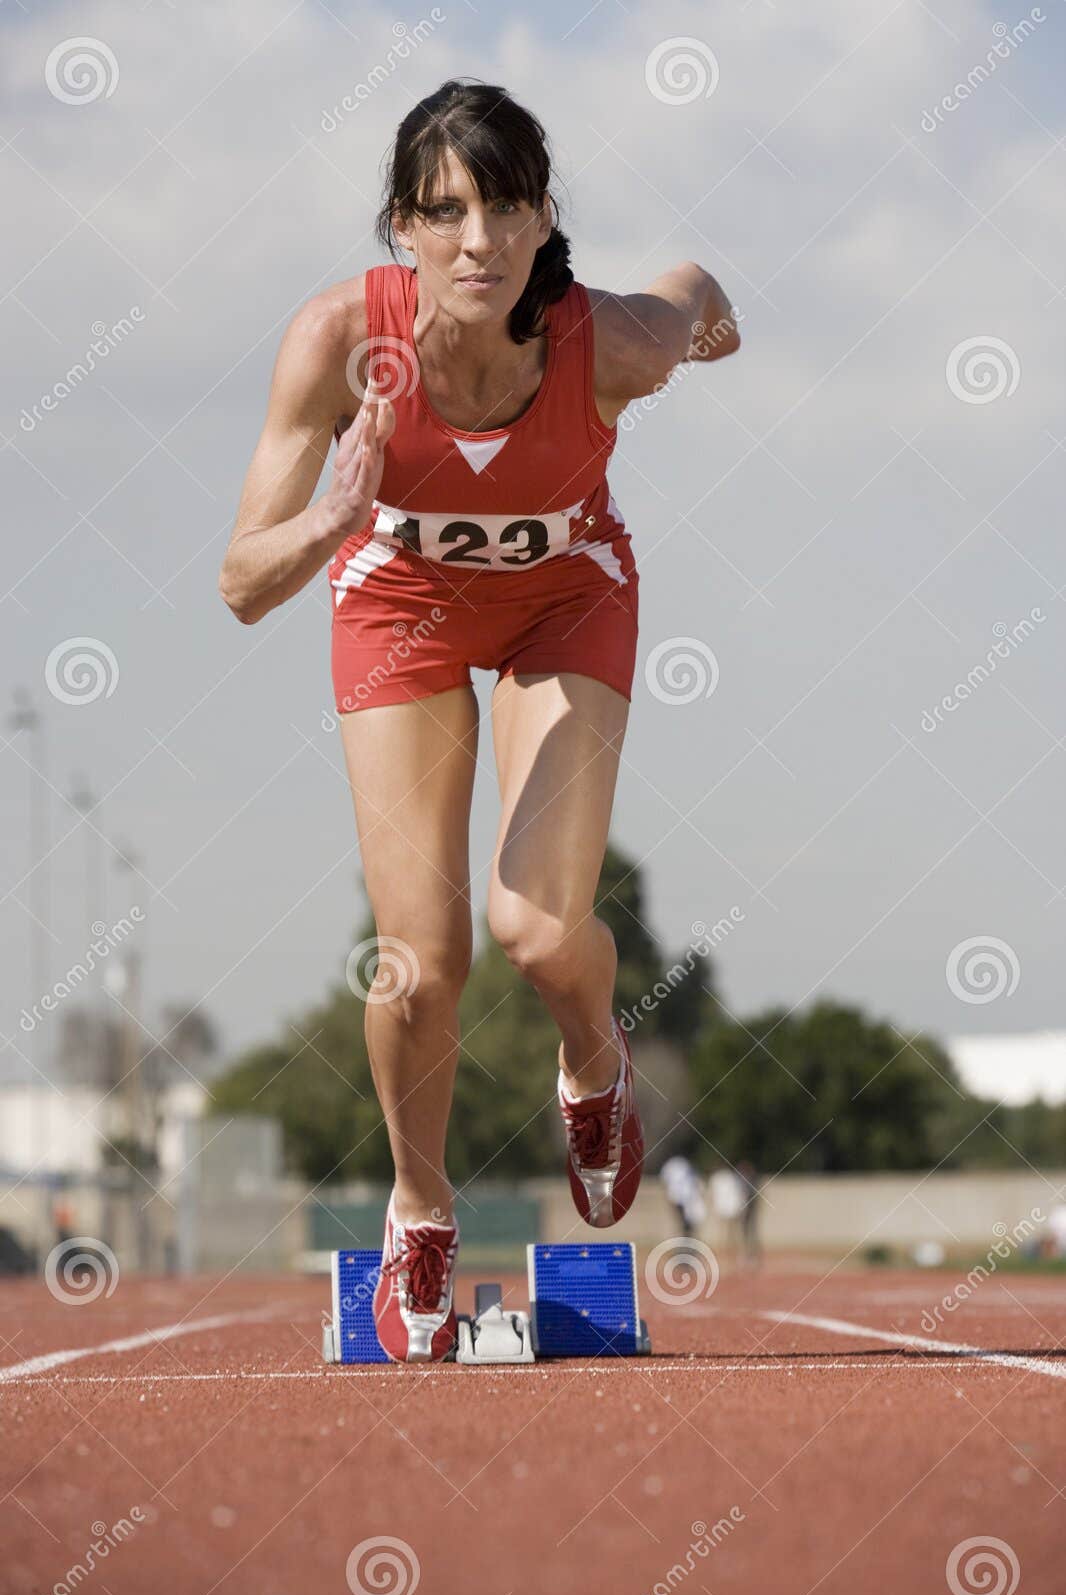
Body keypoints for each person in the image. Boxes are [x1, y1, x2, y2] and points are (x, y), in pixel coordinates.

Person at [219, 78, 741, 1361]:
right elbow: (241, 583)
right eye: (443, 212)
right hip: (396, 603)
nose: (475, 242)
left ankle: (592, 1069)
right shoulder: (340, 338)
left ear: (540, 218)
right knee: (420, 957)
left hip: (566, 600)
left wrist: (706, 320)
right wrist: (334, 524)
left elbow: (691, 289)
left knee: (540, 928)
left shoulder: (606, 343)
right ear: (402, 225)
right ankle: (422, 1204)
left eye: (504, 209)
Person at [659, 1154, 707, 1239]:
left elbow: (664, 1182)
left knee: (687, 1223)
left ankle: (686, 1242)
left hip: (684, 1199)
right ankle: (684, 1242)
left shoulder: (678, 1165)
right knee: (683, 1223)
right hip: (680, 1199)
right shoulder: (676, 1165)